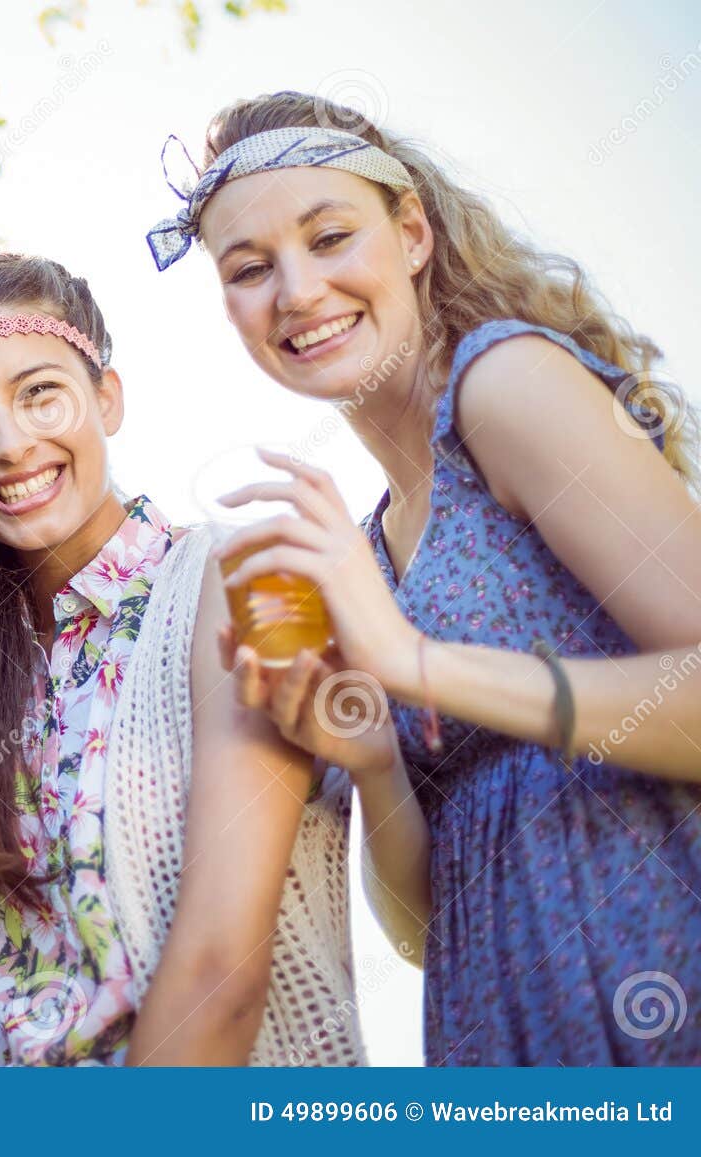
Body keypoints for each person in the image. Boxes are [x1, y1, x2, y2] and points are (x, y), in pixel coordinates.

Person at [154, 91, 701, 1064]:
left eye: (329, 237)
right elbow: (417, 926)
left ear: (410, 233)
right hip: (500, 1029)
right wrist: (368, 758)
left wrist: (413, 658)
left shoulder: (504, 386)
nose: (295, 291)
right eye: (249, 268)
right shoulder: (366, 548)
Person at [0, 250, 378, 1066]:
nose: (8, 441)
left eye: (39, 393)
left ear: (106, 397)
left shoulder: (239, 582)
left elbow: (221, 975)